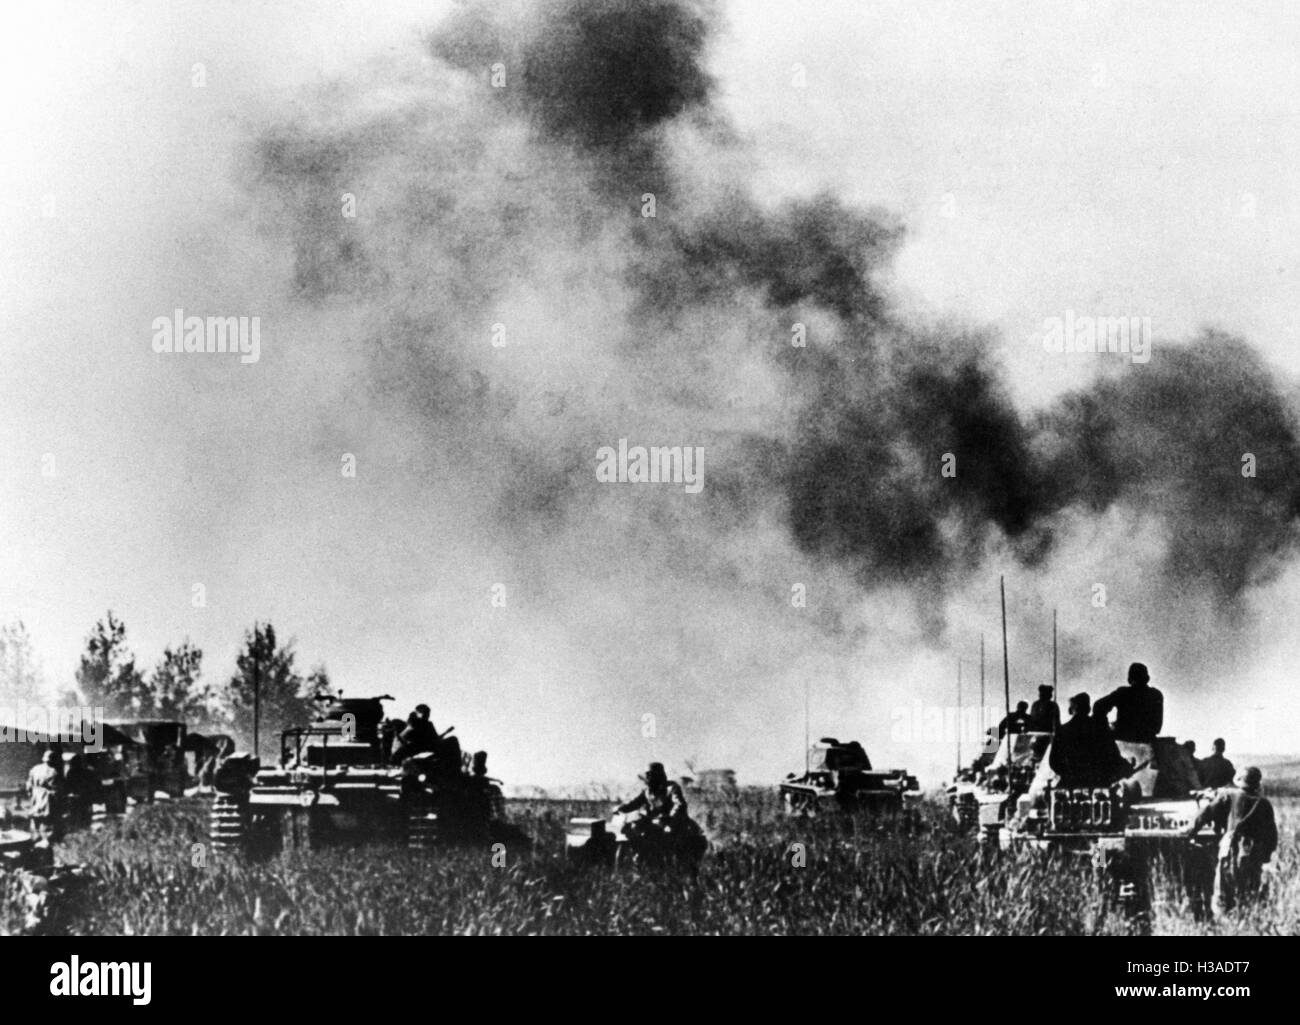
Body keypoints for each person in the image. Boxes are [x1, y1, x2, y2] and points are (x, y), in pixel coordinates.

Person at [1185, 766, 1277, 915]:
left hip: (1230, 848)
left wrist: (1190, 832)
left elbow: (1205, 813)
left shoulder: (1229, 796)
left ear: (1240, 780)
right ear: (1257, 783)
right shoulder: (1264, 804)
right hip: (1253, 852)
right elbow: (1271, 835)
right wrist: (1265, 856)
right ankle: (1247, 920)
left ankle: (1224, 921)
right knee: (1249, 889)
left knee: (1223, 888)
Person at [1049, 693, 1126, 788]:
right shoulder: (1100, 729)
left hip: (1070, 782)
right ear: (1088, 708)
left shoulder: (1062, 731)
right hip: (1098, 782)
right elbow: (1113, 756)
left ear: (1072, 708)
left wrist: (1069, 773)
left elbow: (1054, 761)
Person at [1093, 662, 1163, 742]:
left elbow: (1098, 706)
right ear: (1146, 678)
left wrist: (1105, 725)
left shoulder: (1123, 693)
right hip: (1148, 738)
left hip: (1124, 738)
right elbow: (1157, 727)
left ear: (1130, 679)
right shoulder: (1156, 695)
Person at [617, 762, 691, 832]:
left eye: (650, 775)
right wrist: (621, 809)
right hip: (655, 821)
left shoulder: (671, 787)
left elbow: (679, 804)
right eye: (647, 775)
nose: (648, 778)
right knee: (633, 827)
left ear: (658, 775)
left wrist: (671, 818)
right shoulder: (647, 792)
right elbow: (635, 803)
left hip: (672, 822)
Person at [25, 750, 63, 843]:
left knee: (35, 819)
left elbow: (28, 785)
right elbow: (56, 788)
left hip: (35, 795)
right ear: (53, 760)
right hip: (47, 798)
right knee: (47, 821)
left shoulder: (34, 769)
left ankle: (35, 839)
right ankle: (46, 841)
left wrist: (31, 795)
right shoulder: (53, 772)